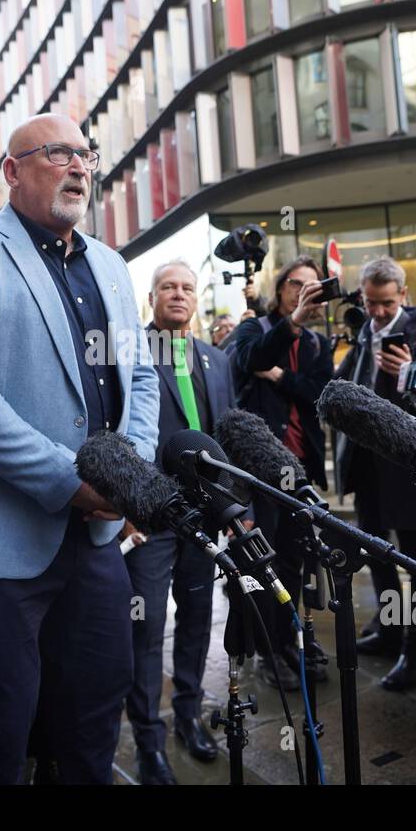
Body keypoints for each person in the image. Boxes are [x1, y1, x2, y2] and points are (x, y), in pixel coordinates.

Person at [0, 113, 160, 784]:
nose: (80, 166)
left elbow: (141, 376)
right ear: (12, 170)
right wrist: (70, 482)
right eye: (60, 153)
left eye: (86, 155)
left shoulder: (110, 265)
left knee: (94, 712)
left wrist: (128, 479)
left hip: (98, 540)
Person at [121, 260, 236, 784]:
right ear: (152, 298)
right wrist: (123, 508)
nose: (179, 294)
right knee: (145, 630)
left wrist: (232, 509)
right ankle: (150, 741)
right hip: (149, 516)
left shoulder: (216, 359)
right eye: (168, 286)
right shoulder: (129, 353)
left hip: (203, 519)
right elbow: (113, 431)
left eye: (188, 287)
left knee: (195, 620)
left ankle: (189, 716)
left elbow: (226, 440)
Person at [333, 257, 416, 691]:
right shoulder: (362, 332)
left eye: (386, 303)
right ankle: (389, 629)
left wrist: (406, 374)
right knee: (376, 550)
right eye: (370, 302)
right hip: (367, 465)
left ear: (403, 295)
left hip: (410, 469)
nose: (378, 312)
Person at [229, 256, 334, 690]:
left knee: (294, 561)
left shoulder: (316, 343)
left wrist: (280, 376)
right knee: (261, 562)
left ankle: (288, 640)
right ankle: (266, 651)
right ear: (282, 288)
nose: (304, 291)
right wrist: (288, 324)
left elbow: (317, 395)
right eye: (296, 284)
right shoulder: (255, 325)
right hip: (260, 469)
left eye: (313, 286)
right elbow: (249, 358)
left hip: (301, 469)